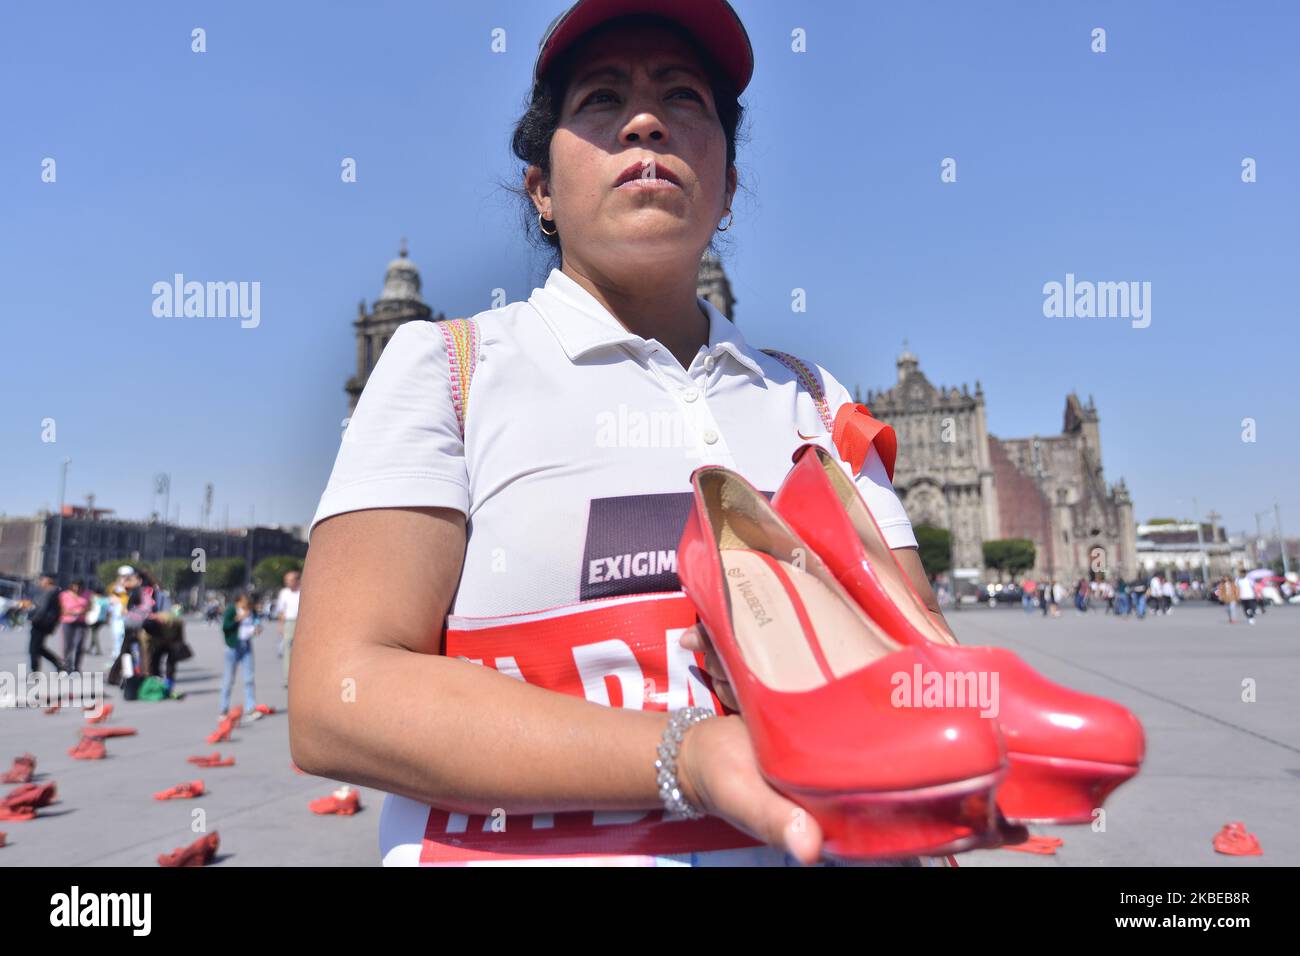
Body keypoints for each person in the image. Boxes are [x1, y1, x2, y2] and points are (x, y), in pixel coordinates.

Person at [293, 0, 952, 868]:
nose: (646, 120)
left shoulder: (818, 404)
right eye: (601, 100)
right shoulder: (447, 372)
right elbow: (339, 700)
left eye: (685, 98)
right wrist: (686, 755)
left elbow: (920, 681)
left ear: (727, 186)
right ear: (542, 190)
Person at [220, 593, 261, 720]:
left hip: (246, 645)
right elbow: (225, 627)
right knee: (228, 680)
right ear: (238, 601)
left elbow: (255, 622)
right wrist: (237, 619)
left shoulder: (251, 611)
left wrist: (257, 629)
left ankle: (250, 708)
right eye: (244, 602)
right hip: (233, 647)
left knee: (249, 678)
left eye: (248, 603)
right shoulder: (231, 610)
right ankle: (223, 709)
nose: (246, 605)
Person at [27, 574, 63, 672]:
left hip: (41, 623)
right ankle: (58, 663)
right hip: (46, 623)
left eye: (41, 580)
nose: (40, 582)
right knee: (38, 647)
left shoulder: (49, 592)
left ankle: (35, 673)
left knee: (33, 649)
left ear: (47, 581)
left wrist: (32, 618)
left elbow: (42, 608)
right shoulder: (55, 592)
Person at [276, 570, 302, 689]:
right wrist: (281, 625)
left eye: (290, 580)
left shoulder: (302, 591)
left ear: (297, 580)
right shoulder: (284, 593)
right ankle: (287, 678)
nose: (288, 583)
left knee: (301, 651)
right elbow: (281, 610)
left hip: (301, 622)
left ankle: (301, 676)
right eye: (286, 581)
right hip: (289, 622)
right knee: (287, 649)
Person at [58, 579, 91, 672]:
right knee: (67, 645)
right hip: (67, 622)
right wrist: (72, 612)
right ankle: (67, 666)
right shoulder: (64, 595)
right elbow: (60, 609)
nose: (76, 588)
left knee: (79, 644)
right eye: (75, 586)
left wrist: (83, 611)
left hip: (81, 622)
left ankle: (77, 667)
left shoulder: (87, 594)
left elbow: (91, 607)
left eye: (79, 586)